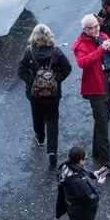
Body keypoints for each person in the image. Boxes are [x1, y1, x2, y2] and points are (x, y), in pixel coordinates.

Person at [73, 15, 110, 178]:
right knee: (103, 124)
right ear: (85, 30)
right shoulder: (80, 45)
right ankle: (105, 163)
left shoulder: (102, 36)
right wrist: (101, 49)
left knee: (102, 120)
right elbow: (83, 63)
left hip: (109, 82)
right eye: (92, 28)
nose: (96, 29)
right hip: (96, 88)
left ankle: (98, 152)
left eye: (97, 26)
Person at [18, 23, 73, 169]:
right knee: (52, 119)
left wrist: (33, 82)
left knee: (37, 115)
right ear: (49, 36)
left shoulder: (29, 52)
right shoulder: (56, 52)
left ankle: (40, 138)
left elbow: (21, 71)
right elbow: (67, 68)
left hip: (34, 93)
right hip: (53, 94)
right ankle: (52, 151)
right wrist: (55, 80)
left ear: (34, 37)